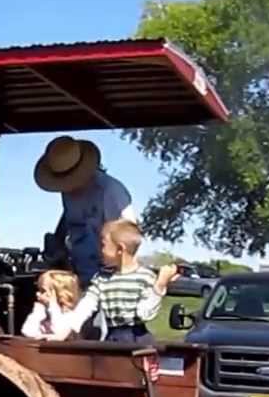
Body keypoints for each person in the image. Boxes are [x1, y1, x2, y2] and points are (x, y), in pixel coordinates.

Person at [47, 219, 177, 344]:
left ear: (120, 249)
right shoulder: (102, 278)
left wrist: (160, 285)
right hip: (112, 338)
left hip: (138, 339)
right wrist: (66, 330)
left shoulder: (145, 278)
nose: (100, 250)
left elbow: (145, 314)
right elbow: (85, 307)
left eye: (103, 245)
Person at [34, 135, 137, 289]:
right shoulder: (67, 193)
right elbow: (70, 220)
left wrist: (115, 280)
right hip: (78, 274)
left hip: (108, 281)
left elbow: (130, 238)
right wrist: (56, 245)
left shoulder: (111, 191)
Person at [20, 269, 81, 340]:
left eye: (43, 291)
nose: (37, 294)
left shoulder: (71, 315)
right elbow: (27, 332)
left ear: (59, 294)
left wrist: (53, 306)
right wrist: (38, 311)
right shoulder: (42, 313)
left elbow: (59, 332)